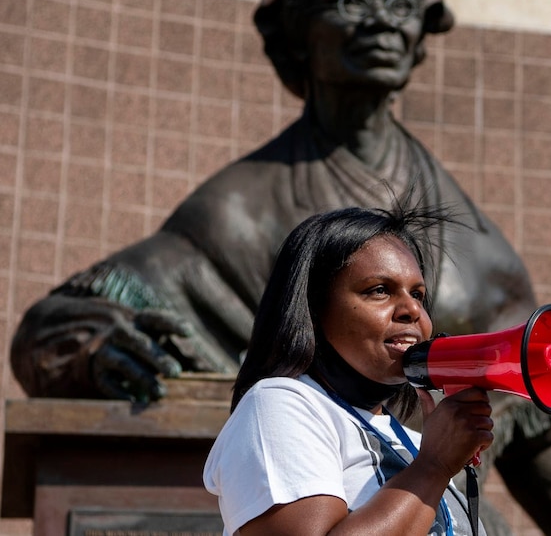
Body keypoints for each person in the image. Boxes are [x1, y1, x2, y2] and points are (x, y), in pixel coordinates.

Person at [11, 0, 551, 535]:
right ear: (302, 30)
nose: (381, 21)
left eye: (401, 6)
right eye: (352, 2)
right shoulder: (237, 210)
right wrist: (93, 342)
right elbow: (70, 317)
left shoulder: (476, 245)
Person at [204, 205, 490, 536]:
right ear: (313, 309)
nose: (412, 309)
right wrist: (434, 466)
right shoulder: (278, 406)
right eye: (379, 290)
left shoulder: (415, 443)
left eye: (418, 294)